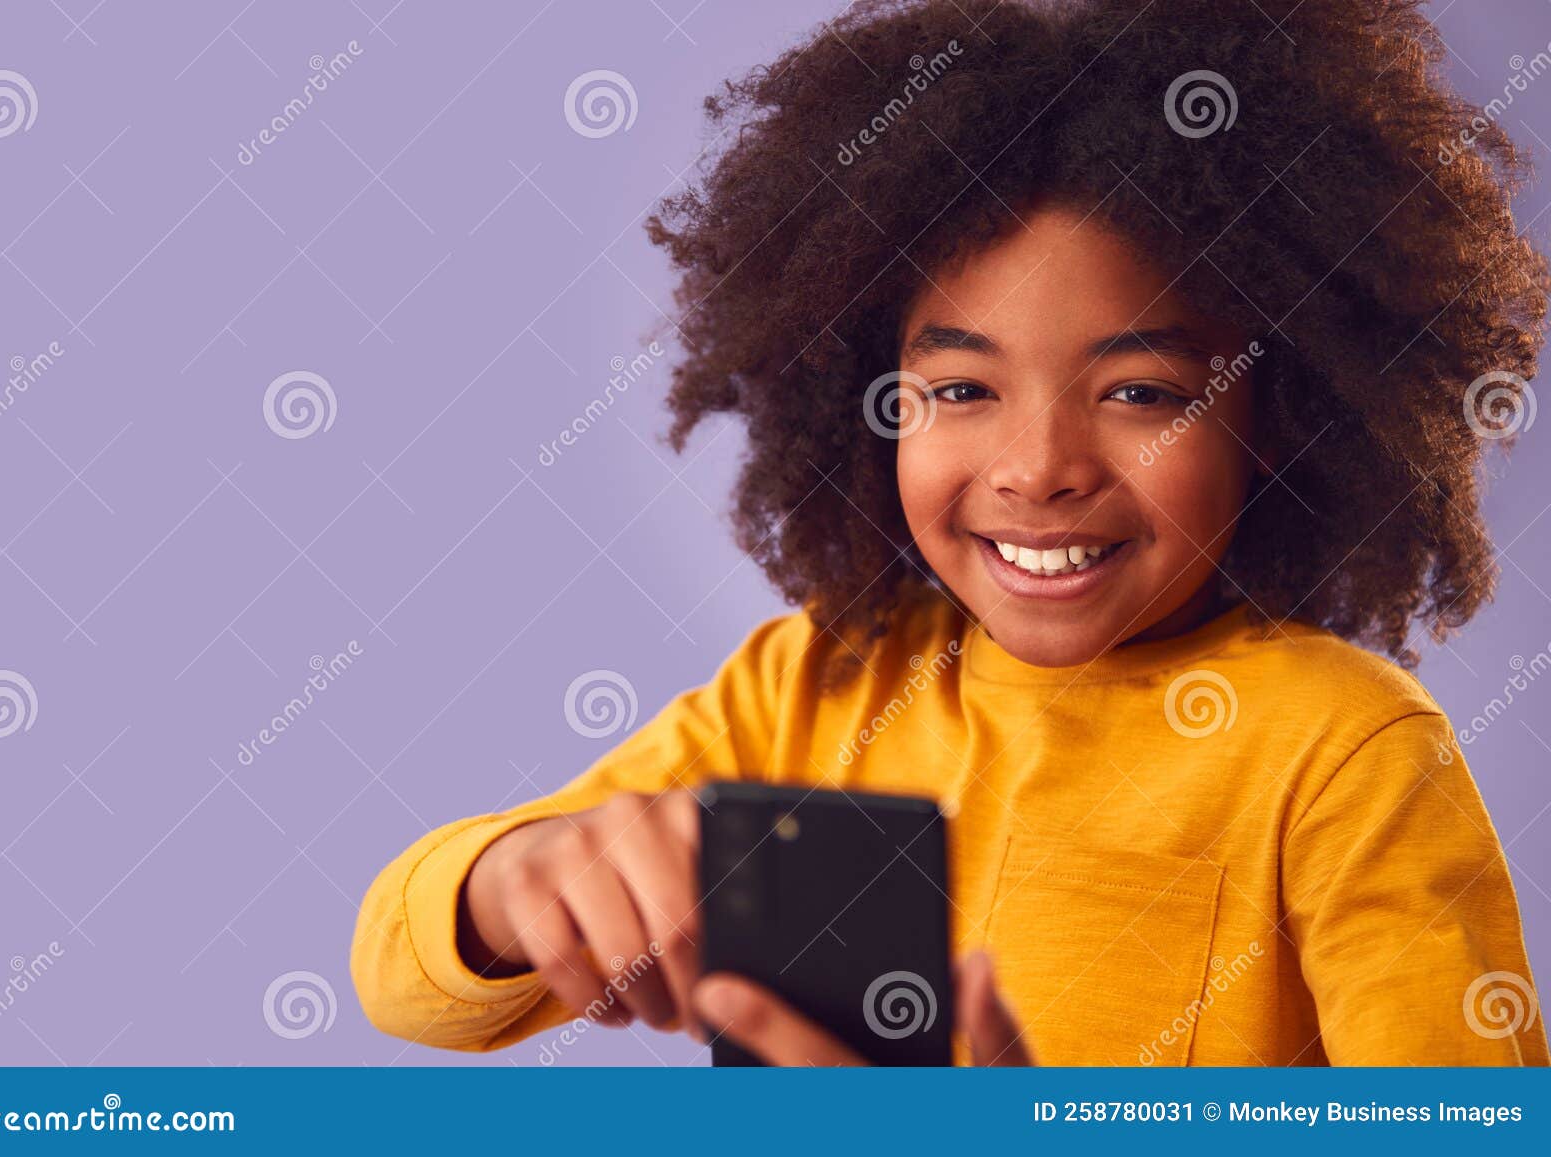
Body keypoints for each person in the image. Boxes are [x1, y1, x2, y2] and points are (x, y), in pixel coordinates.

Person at [352, 0, 1550, 1066]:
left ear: (1277, 410)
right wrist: (510, 883)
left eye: (1139, 391)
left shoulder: (1343, 751)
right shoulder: (803, 692)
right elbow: (402, 980)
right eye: (961, 390)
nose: (1037, 470)